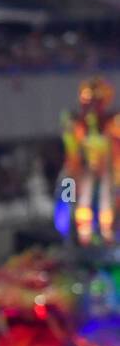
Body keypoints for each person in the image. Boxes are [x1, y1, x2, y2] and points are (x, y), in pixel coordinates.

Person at [60, 77, 119, 243]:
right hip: (82, 168)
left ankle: (107, 232)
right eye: (89, 100)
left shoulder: (112, 122)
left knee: (107, 197)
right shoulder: (77, 123)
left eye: (97, 101)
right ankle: (80, 232)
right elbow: (71, 150)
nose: (93, 106)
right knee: (74, 197)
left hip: (107, 167)